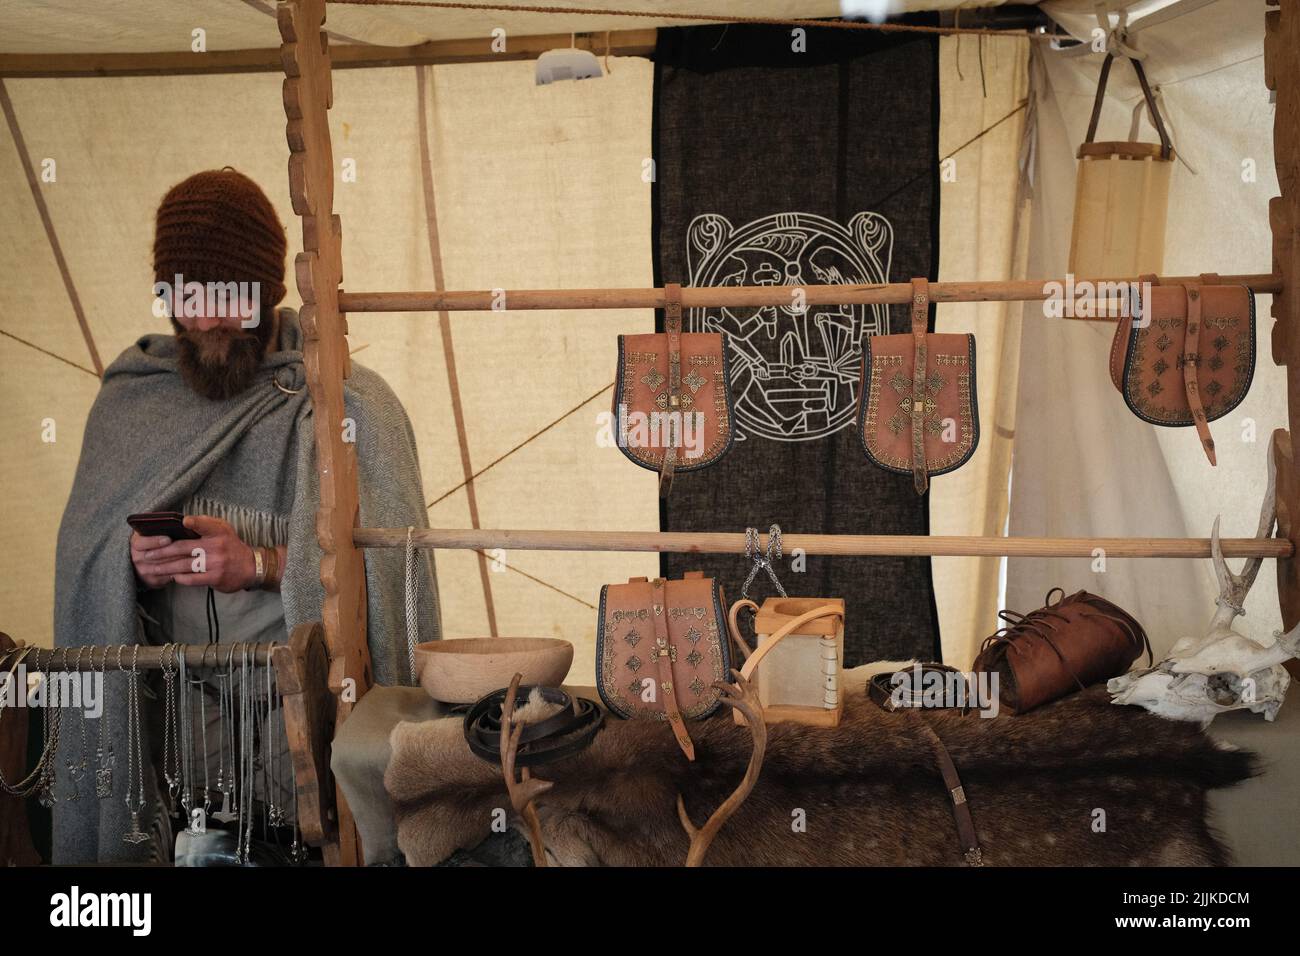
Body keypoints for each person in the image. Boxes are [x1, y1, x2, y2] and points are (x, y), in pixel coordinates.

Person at [52, 168, 441, 863]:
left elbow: (388, 581)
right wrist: (129, 566)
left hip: (309, 750)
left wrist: (259, 564)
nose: (207, 321)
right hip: (178, 761)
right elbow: (83, 572)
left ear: (270, 291)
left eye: (229, 298)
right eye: (187, 296)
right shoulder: (131, 403)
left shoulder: (342, 403)